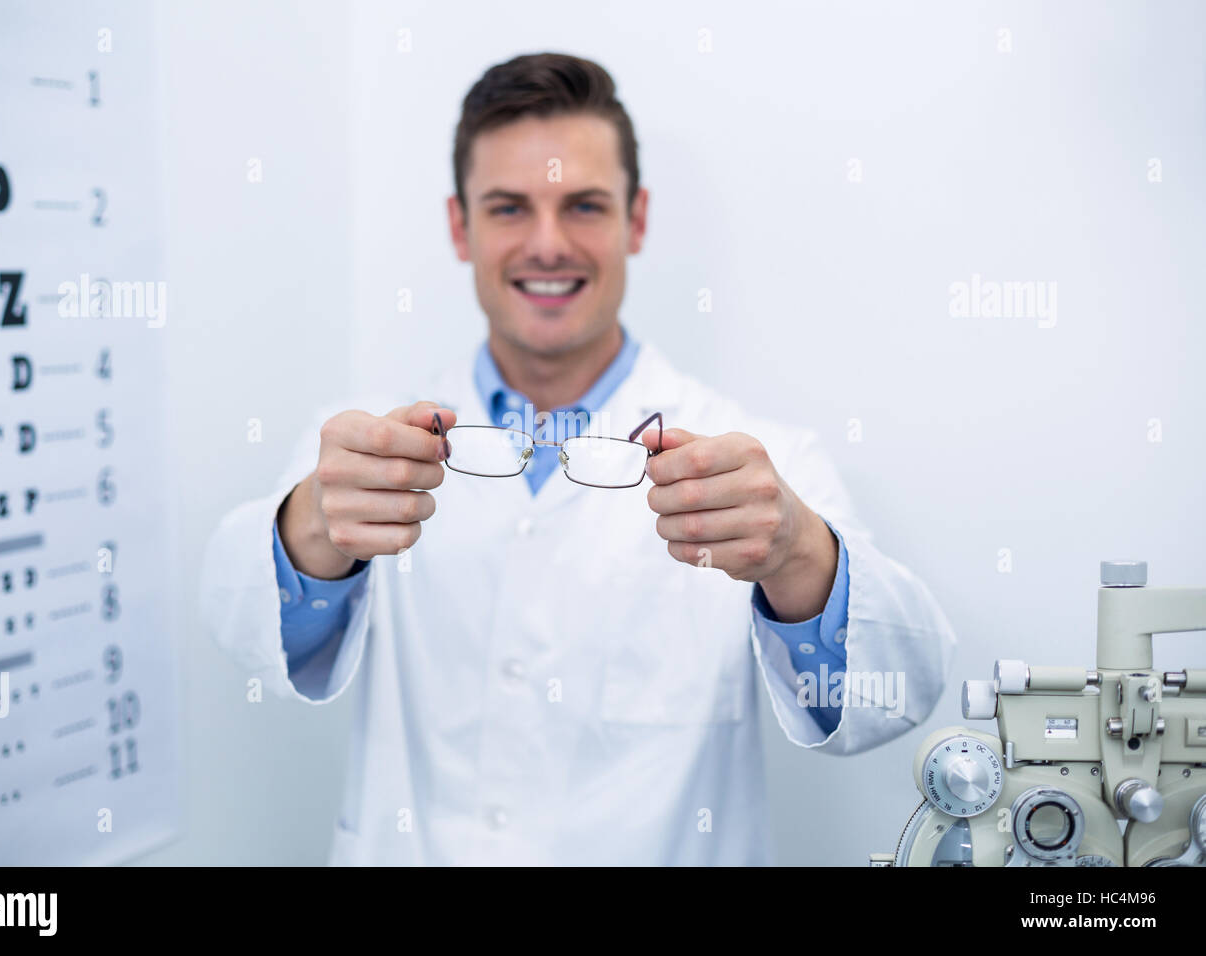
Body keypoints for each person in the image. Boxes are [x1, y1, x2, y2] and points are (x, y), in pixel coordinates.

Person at [199, 52, 956, 865]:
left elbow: (892, 695)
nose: (549, 245)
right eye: (510, 208)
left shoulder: (760, 465)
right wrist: (310, 527)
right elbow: (240, 622)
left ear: (637, 219)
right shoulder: (362, 452)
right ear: (461, 226)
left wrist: (800, 552)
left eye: (585, 205)